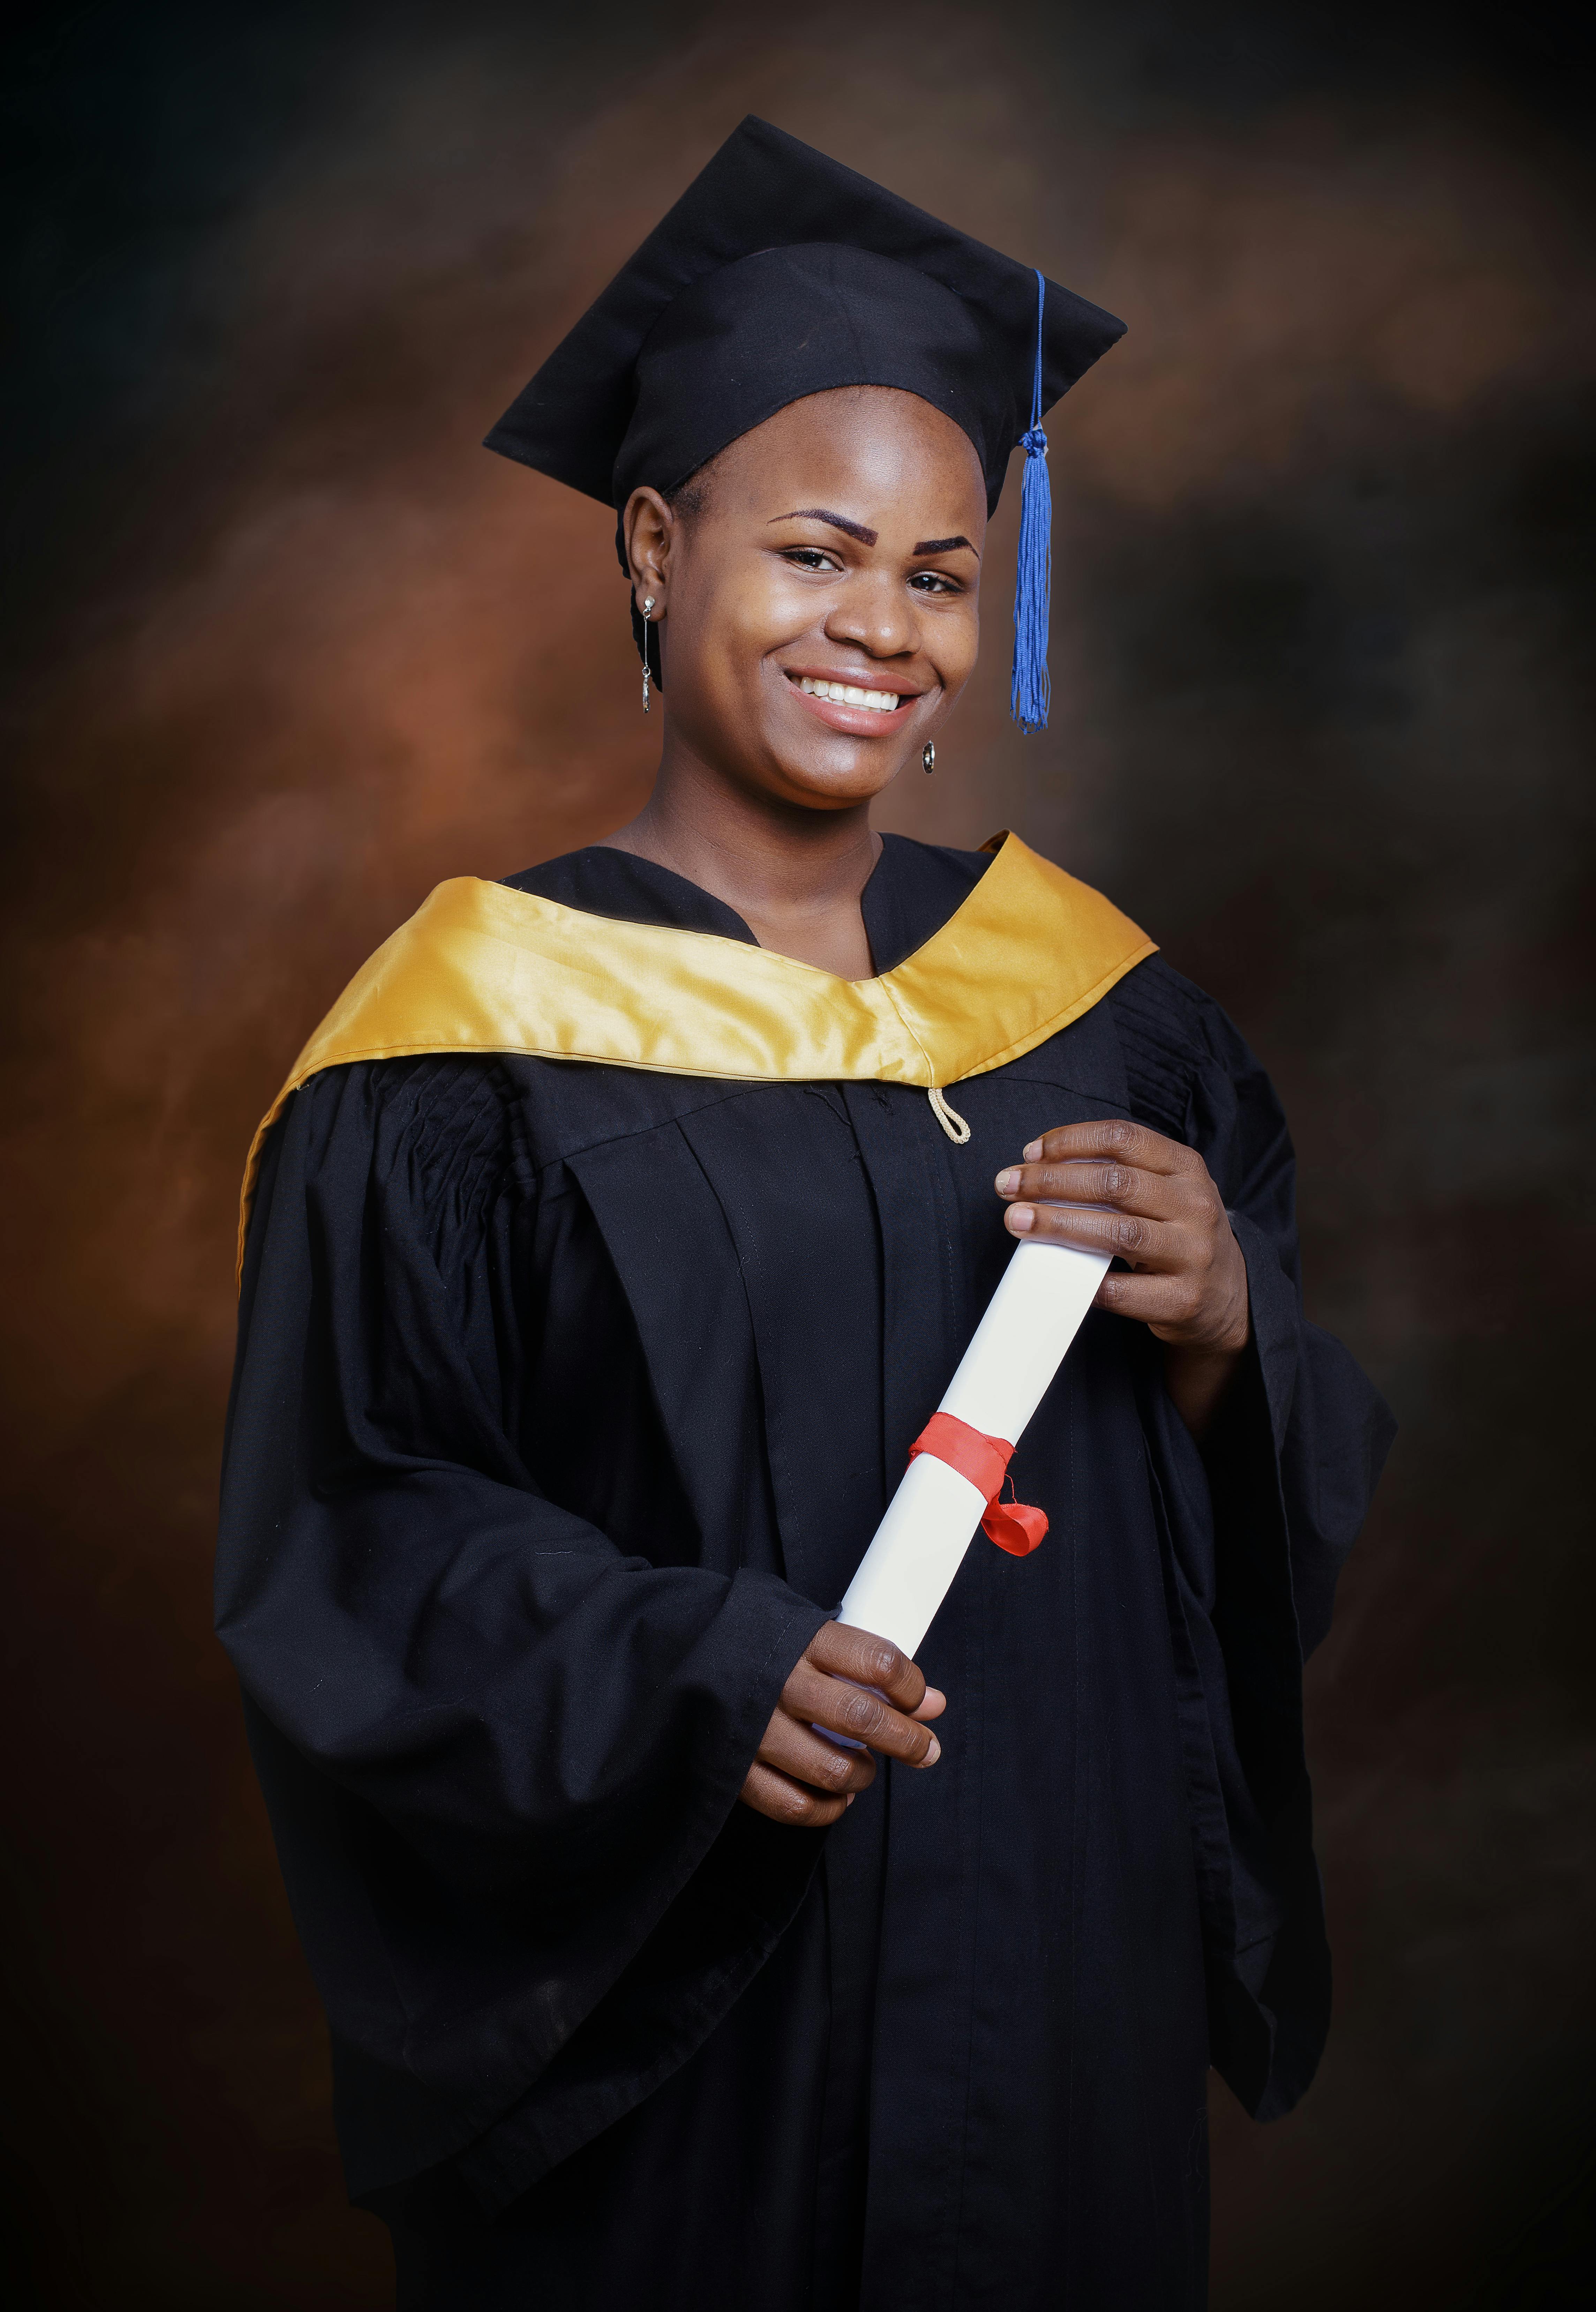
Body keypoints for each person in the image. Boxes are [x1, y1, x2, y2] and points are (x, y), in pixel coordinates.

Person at [217, 117, 1393, 2311]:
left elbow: (1254, 1538)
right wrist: (689, 1668)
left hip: (1066, 1994)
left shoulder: (1106, 1012)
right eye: (820, 552)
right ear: (659, 546)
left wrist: (1234, 1325)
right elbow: (354, 1536)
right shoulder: (461, 1049)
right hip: (703, 2061)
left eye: (943, 575)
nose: (886, 629)